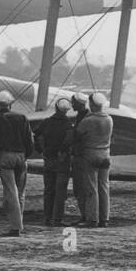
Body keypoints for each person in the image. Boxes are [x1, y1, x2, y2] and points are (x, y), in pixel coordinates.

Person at [0, 90, 34, 236]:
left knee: (10, 192)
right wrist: (25, 156)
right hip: (21, 157)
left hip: (5, 157)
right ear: (10, 104)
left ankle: (15, 227)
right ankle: (19, 224)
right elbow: (29, 141)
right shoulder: (22, 118)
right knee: (20, 192)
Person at [73, 92, 113, 228]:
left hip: (91, 154)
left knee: (91, 188)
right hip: (105, 155)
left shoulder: (88, 121)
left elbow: (77, 135)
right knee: (104, 187)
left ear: (91, 104)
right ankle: (104, 219)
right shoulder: (109, 119)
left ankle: (92, 219)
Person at [35, 97, 75, 226]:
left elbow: (35, 134)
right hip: (62, 161)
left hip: (48, 159)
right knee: (60, 191)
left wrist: (41, 150)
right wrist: (62, 151)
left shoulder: (47, 122)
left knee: (48, 189)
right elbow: (69, 140)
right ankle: (57, 219)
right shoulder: (68, 124)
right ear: (66, 110)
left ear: (56, 108)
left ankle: (47, 217)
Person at [66, 92, 90, 219]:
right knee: (81, 188)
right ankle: (86, 215)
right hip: (81, 156)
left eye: (73, 103)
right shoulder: (83, 116)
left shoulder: (84, 119)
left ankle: (86, 215)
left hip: (81, 157)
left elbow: (76, 137)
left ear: (79, 104)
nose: (72, 105)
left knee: (80, 188)